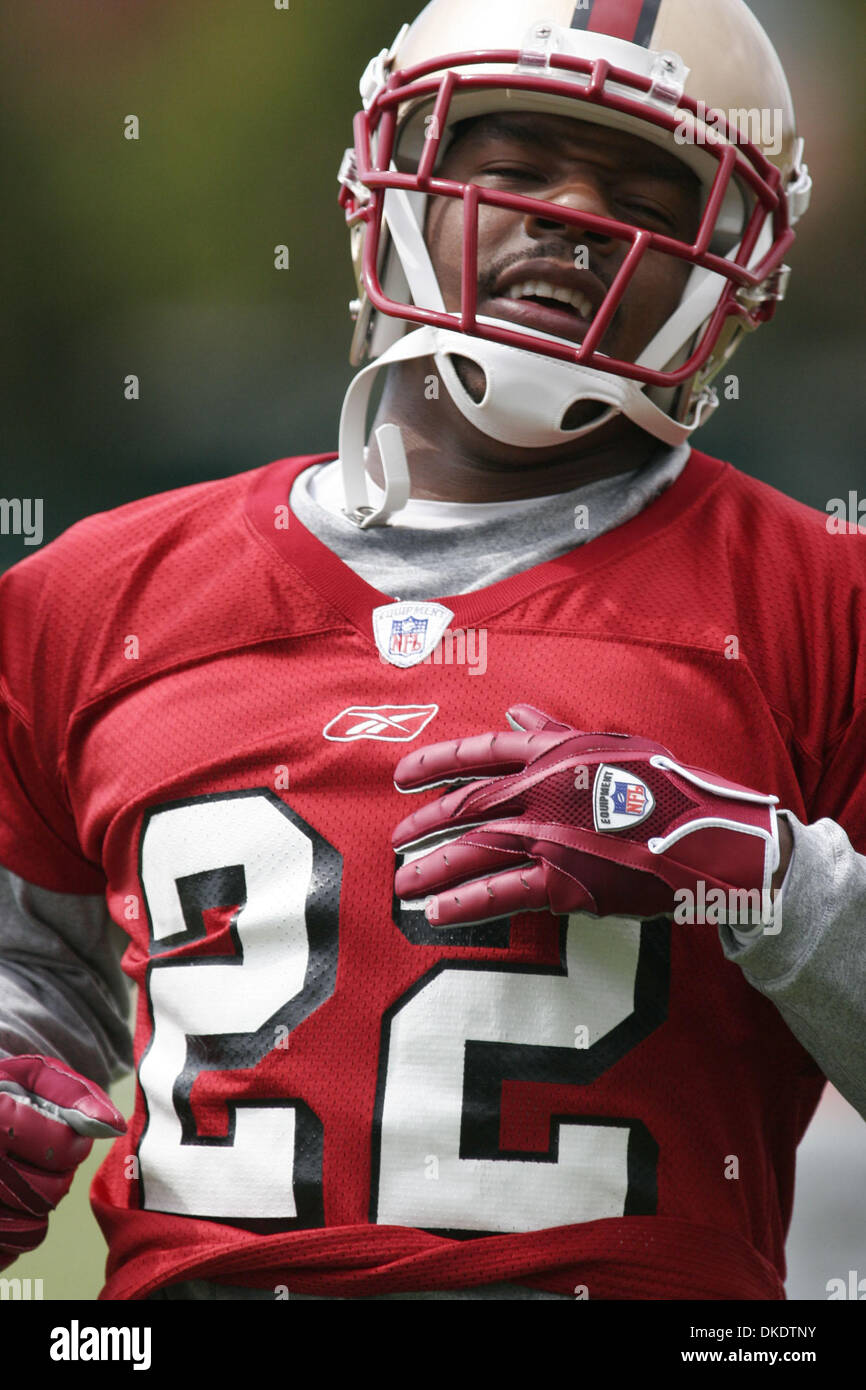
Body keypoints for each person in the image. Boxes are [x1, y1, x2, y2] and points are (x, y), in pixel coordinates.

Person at [0, 0, 863, 1302]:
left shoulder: (821, 602)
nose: (568, 215)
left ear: (729, 263)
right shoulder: (91, 594)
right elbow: (35, 969)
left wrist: (750, 869)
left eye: (640, 189)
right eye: (513, 166)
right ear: (384, 185)